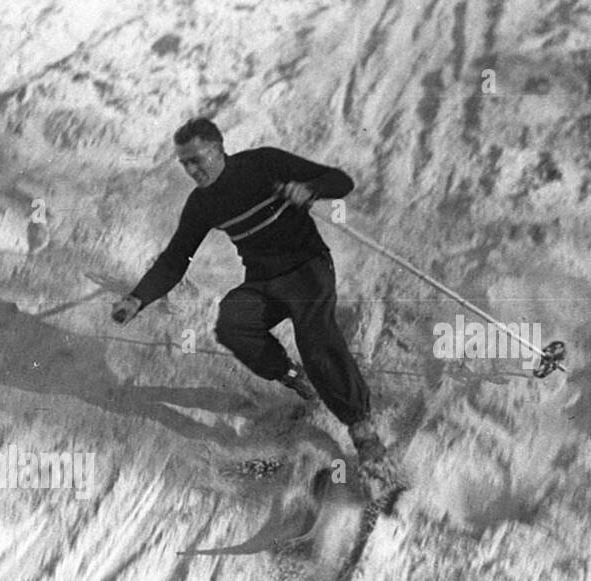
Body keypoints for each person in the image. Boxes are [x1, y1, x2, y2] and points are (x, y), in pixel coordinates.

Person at [111, 117, 392, 485]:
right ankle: (295, 377)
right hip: (264, 281)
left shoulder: (263, 164)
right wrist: (137, 298)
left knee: (315, 337)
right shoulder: (202, 204)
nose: (192, 170)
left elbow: (341, 181)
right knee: (233, 323)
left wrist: (308, 188)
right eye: (184, 163)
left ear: (218, 147)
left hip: (307, 266)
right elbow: (177, 257)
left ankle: (362, 429)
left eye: (197, 159)